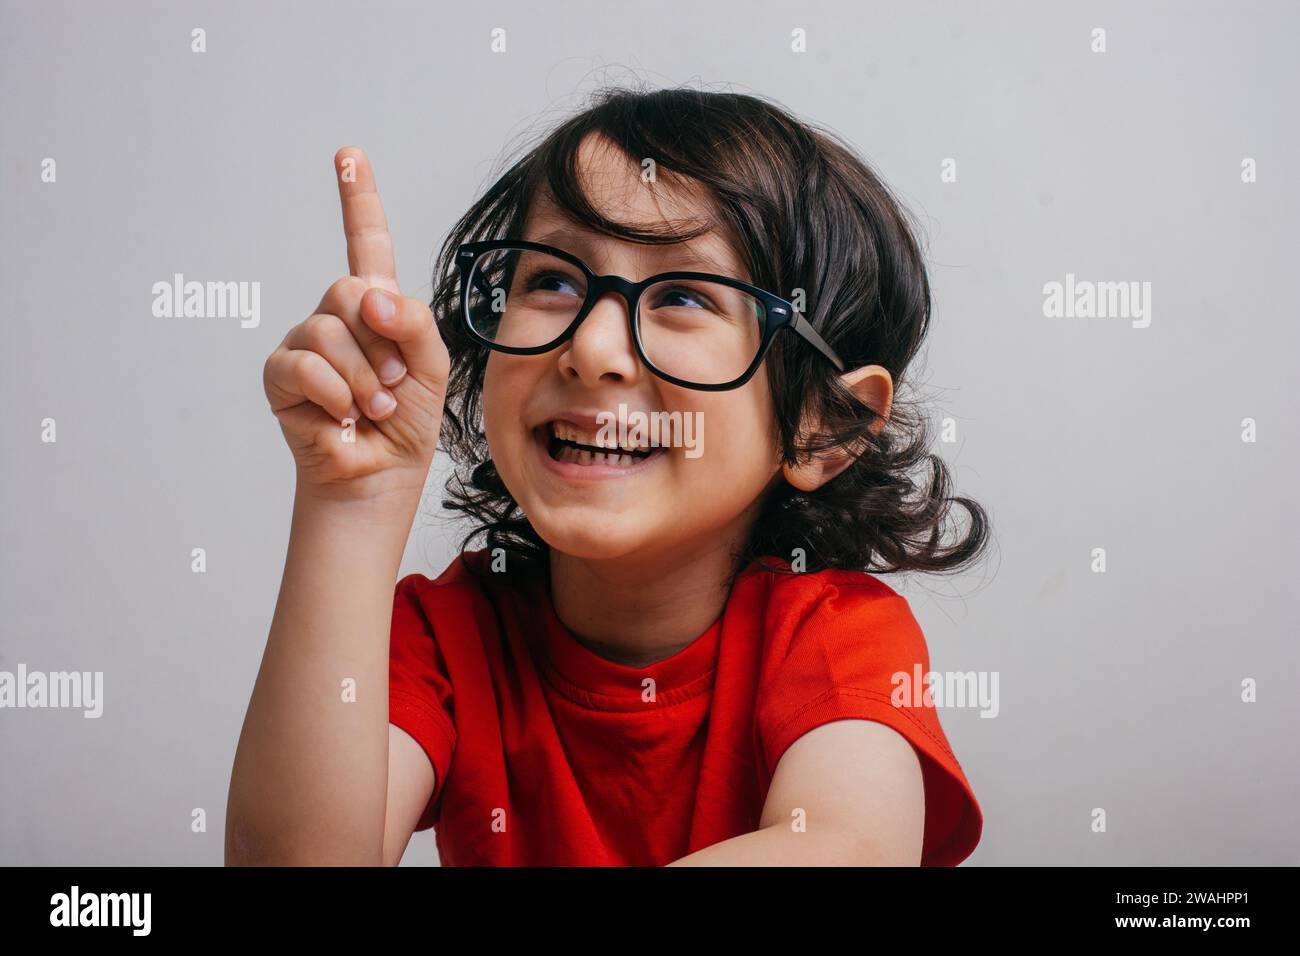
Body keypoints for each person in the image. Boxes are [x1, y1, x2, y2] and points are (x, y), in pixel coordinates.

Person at [226, 86, 991, 866]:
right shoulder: (443, 640)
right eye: (552, 281)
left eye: (685, 295)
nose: (591, 348)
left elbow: (847, 847)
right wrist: (351, 508)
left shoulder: (836, 638)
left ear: (822, 427)